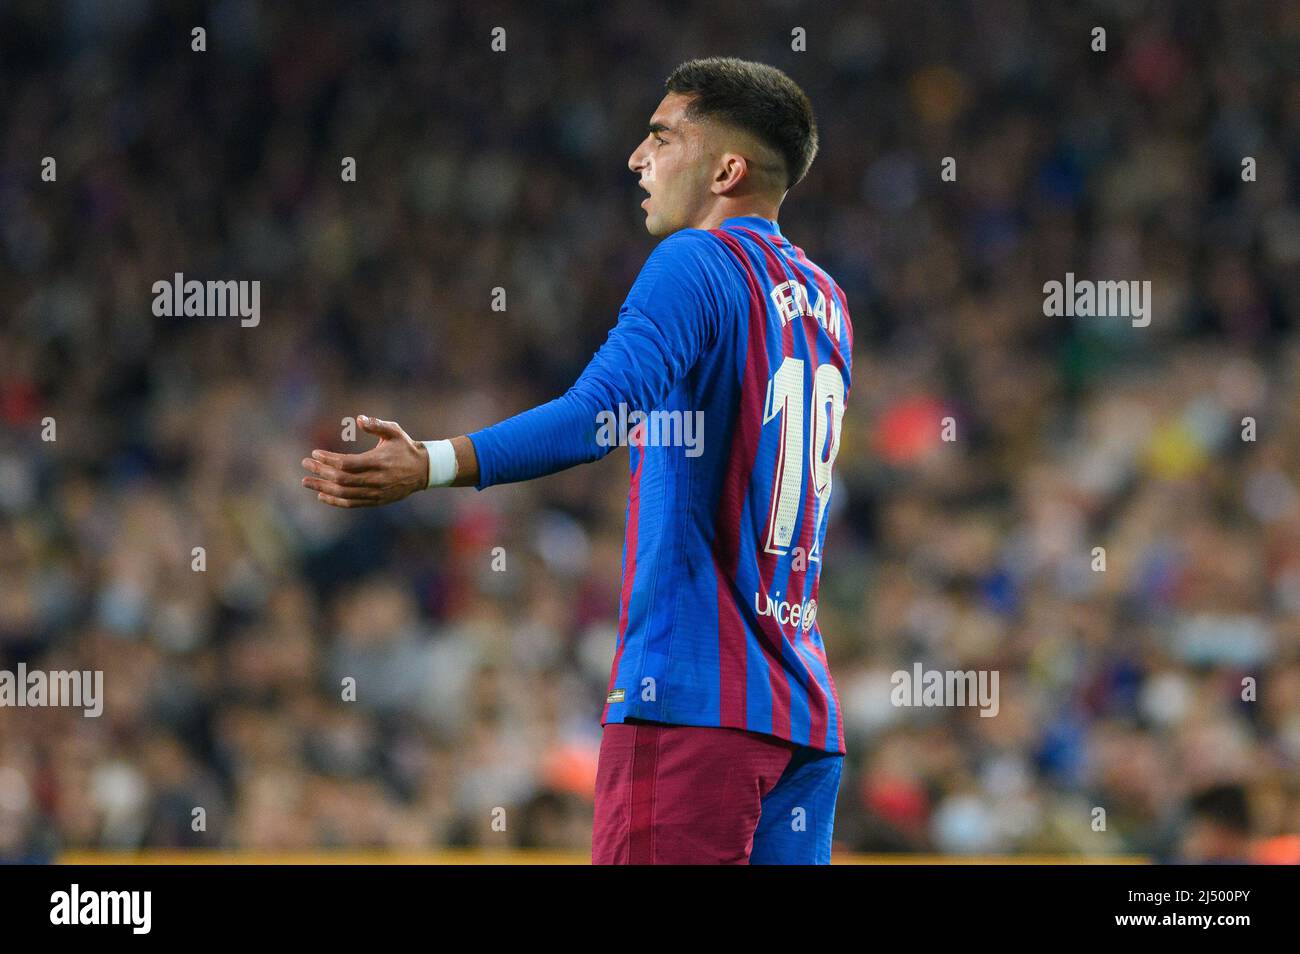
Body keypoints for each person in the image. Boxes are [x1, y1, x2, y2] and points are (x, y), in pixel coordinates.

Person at [301, 57, 853, 864]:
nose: (637, 157)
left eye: (662, 137)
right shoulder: (827, 298)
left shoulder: (698, 262)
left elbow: (600, 416)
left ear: (726, 169)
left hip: (692, 703)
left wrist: (436, 464)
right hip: (802, 718)